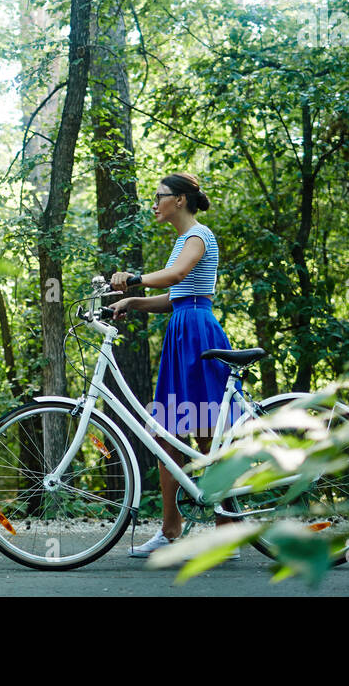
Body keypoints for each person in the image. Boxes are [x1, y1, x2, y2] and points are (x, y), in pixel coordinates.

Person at [107, 171, 243, 559]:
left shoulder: (199, 236)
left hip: (198, 333)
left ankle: (220, 535)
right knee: (168, 436)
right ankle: (172, 531)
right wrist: (132, 302)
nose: (154, 203)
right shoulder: (183, 241)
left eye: (160, 196)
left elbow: (178, 276)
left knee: (204, 434)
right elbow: (175, 297)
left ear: (180, 200)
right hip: (183, 328)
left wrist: (133, 280)